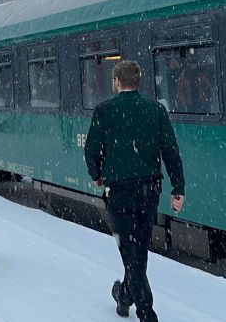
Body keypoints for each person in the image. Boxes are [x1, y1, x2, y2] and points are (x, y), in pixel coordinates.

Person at [84, 60, 185, 322]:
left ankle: (146, 314)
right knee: (137, 250)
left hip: (119, 190)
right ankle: (125, 295)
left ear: (117, 81)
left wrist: (96, 175)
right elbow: (170, 150)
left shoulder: (104, 110)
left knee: (131, 253)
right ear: (138, 81)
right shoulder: (156, 110)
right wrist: (178, 186)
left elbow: (92, 148)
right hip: (149, 189)